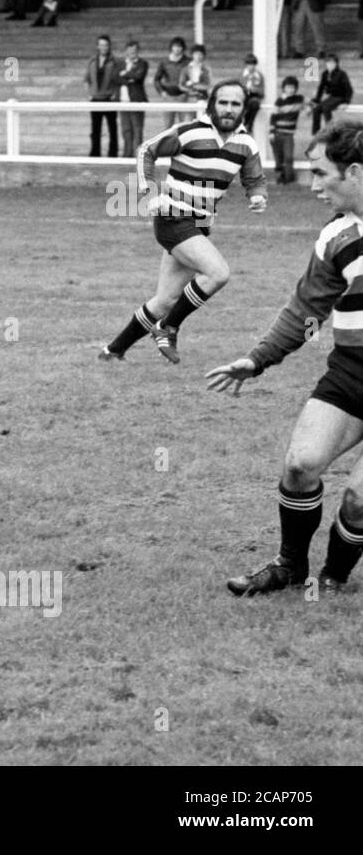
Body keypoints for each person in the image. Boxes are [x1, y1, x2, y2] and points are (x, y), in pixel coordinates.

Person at [210, 121, 363, 596]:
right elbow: (306, 309)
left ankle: (334, 579)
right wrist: (256, 360)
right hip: (352, 373)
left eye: (321, 174)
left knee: (359, 499)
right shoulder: (337, 237)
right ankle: (290, 567)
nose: (313, 186)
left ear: (354, 171)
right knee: (299, 465)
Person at [98, 81, 267, 365]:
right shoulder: (190, 133)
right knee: (218, 273)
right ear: (212, 104)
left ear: (243, 108)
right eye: (223, 102)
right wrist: (148, 193)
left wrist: (258, 196)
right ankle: (167, 328)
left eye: (235, 104)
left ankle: (112, 351)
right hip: (173, 218)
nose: (228, 109)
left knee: (165, 300)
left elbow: (255, 179)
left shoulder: (246, 144)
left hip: (199, 225)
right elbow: (146, 151)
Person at [85, 35, 119, 158]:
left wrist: (114, 94)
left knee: (112, 128)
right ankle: (95, 152)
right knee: (95, 128)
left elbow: (118, 79)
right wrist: (88, 93)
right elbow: (87, 78)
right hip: (95, 98)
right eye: (101, 45)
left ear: (109, 46)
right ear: (97, 46)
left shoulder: (114, 61)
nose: (103, 47)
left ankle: (113, 153)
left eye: (106, 45)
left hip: (109, 98)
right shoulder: (92, 60)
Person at [115, 40, 149, 157]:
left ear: (137, 51)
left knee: (137, 131)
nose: (132, 53)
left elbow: (138, 77)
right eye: (129, 51)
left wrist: (125, 74)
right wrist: (129, 78)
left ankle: (137, 159)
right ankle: (127, 158)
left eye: (134, 51)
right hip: (123, 102)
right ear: (126, 51)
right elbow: (116, 79)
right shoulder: (120, 64)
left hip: (136, 101)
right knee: (126, 132)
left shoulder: (142, 64)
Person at [270, 75, 304, 185]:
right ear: (284, 88)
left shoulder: (299, 100)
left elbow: (310, 104)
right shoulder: (279, 101)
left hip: (288, 135)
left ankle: (289, 179)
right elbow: (273, 117)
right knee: (278, 159)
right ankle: (280, 178)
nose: (290, 89)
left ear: (295, 88)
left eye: (292, 87)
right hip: (277, 133)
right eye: (288, 87)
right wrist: (271, 132)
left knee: (288, 157)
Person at [309, 54, 353, 133]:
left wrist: (347, 102)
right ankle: (316, 133)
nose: (330, 65)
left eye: (332, 63)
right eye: (328, 63)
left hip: (340, 97)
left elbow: (349, 89)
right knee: (316, 110)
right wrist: (317, 99)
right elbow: (321, 87)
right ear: (325, 64)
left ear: (336, 64)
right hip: (332, 97)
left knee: (326, 108)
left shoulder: (342, 74)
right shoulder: (325, 74)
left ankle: (330, 132)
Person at [154, 36, 190, 129]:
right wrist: (162, 92)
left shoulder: (188, 62)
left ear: (183, 48)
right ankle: (168, 144)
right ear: (171, 47)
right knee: (168, 127)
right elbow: (157, 79)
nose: (177, 49)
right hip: (168, 97)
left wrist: (188, 92)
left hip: (183, 97)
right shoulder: (165, 62)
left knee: (186, 126)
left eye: (179, 46)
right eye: (175, 46)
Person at [240, 53, 265, 132]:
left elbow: (262, 91)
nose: (251, 67)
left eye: (253, 64)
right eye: (249, 64)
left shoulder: (258, 76)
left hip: (254, 96)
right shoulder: (242, 75)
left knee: (254, 103)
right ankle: (245, 124)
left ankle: (248, 124)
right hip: (244, 96)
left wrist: (255, 89)